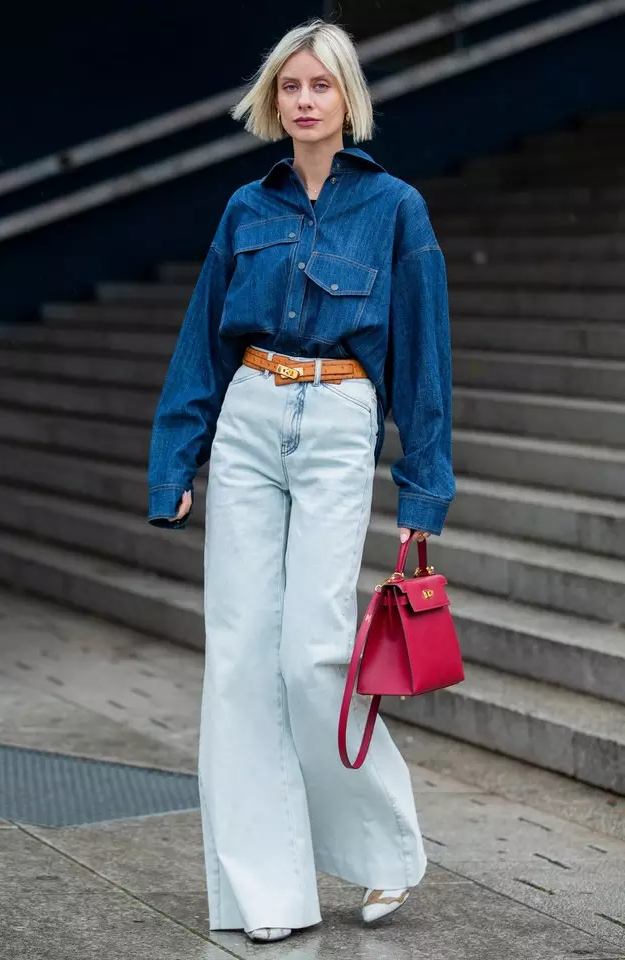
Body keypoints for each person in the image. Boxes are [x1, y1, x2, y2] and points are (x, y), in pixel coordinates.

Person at [147, 16, 456, 944]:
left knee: (312, 656)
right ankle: (262, 897)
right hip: (249, 417)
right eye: (291, 87)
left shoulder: (395, 207)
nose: (305, 101)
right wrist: (178, 459)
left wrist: (424, 493)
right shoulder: (247, 209)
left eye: (321, 86)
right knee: (240, 665)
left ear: (348, 97)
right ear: (273, 100)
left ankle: (386, 852)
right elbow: (204, 338)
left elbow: (424, 364)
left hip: (336, 420)